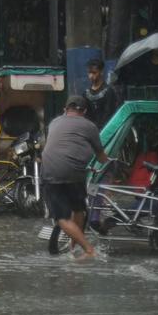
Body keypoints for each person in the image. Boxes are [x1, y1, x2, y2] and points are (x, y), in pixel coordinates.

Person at [41, 95, 111, 258]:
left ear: (65, 110)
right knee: (78, 210)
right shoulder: (90, 126)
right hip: (77, 174)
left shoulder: (54, 122)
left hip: (52, 172)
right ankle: (81, 249)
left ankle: (83, 248)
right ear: (84, 111)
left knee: (62, 217)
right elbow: (101, 156)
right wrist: (111, 165)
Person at [83, 58, 120, 129]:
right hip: (90, 129)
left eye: (94, 73)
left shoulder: (109, 91)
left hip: (106, 129)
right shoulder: (86, 93)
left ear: (101, 72)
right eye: (89, 73)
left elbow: (109, 113)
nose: (91, 76)